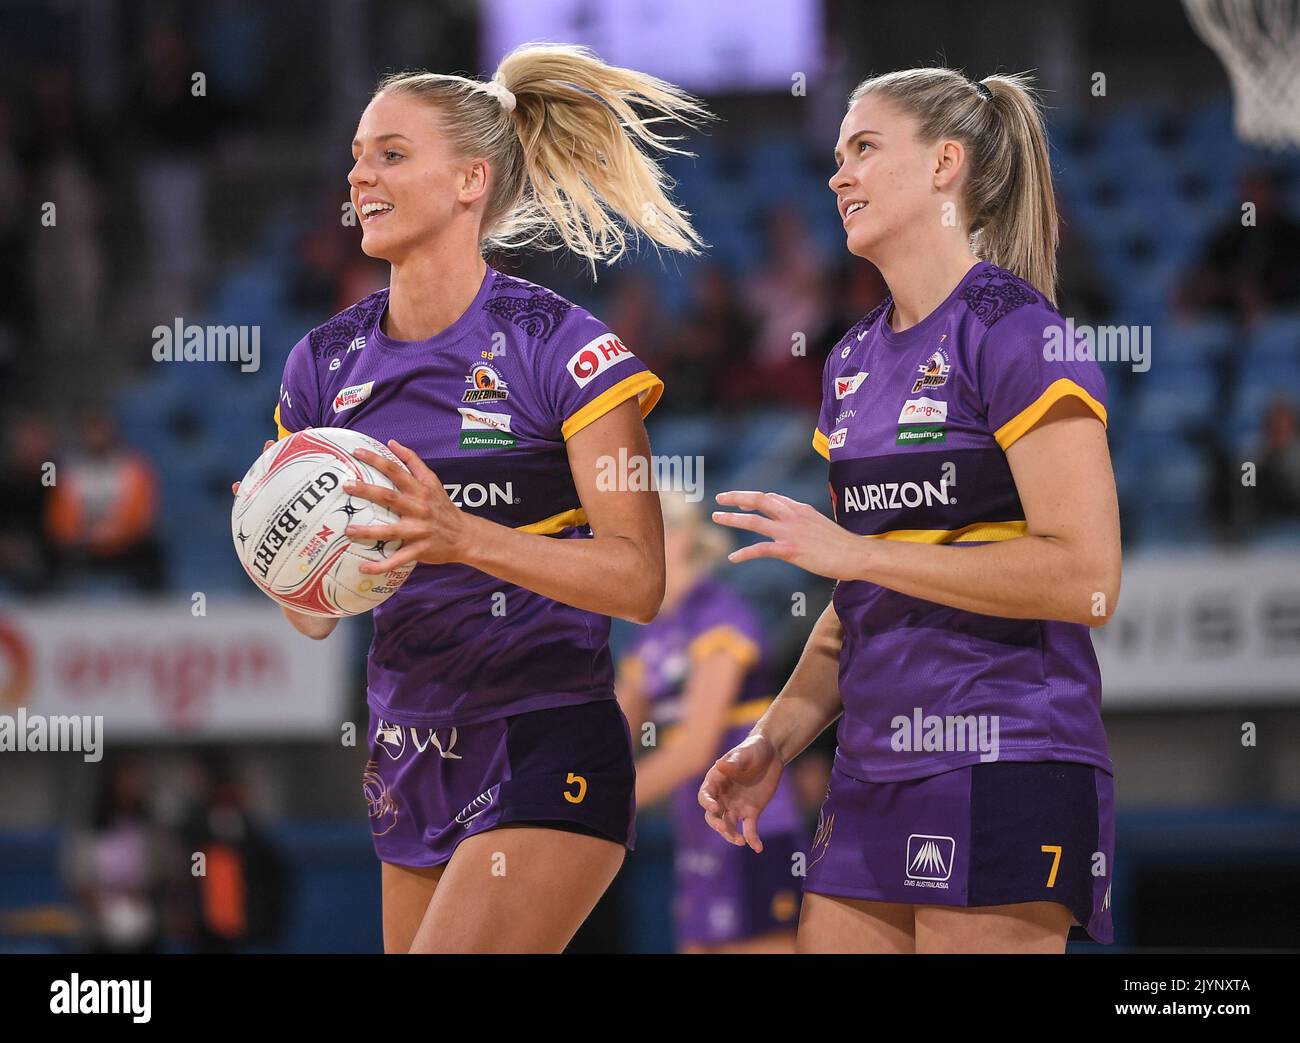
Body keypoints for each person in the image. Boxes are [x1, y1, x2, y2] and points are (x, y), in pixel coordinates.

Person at [235, 43, 710, 953]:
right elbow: (315, 618)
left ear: (469, 182)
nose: (360, 176)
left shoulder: (560, 347)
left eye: (391, 154)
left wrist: (464, 536)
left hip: (543, 735)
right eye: (357, 156)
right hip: (407, 747)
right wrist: (278, 548)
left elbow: (640, 578)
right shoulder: (320, 365)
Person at [702, 69, 1121, 954]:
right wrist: (773, 741)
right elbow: (858, 601)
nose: (838, 175)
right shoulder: (850, 360)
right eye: (836, 155)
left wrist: (858, 556)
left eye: (863, 147)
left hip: (1007, 751)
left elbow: (1087, 576)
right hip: (869, 771)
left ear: (943, 164)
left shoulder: (1020, 331)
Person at [616, 492, 802, 953]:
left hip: (751, 821)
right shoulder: (653, 629)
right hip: (696, 827)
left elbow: (695, 749)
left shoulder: (720, 616)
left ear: (678, 539)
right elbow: (609, 736)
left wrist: (594, 806)